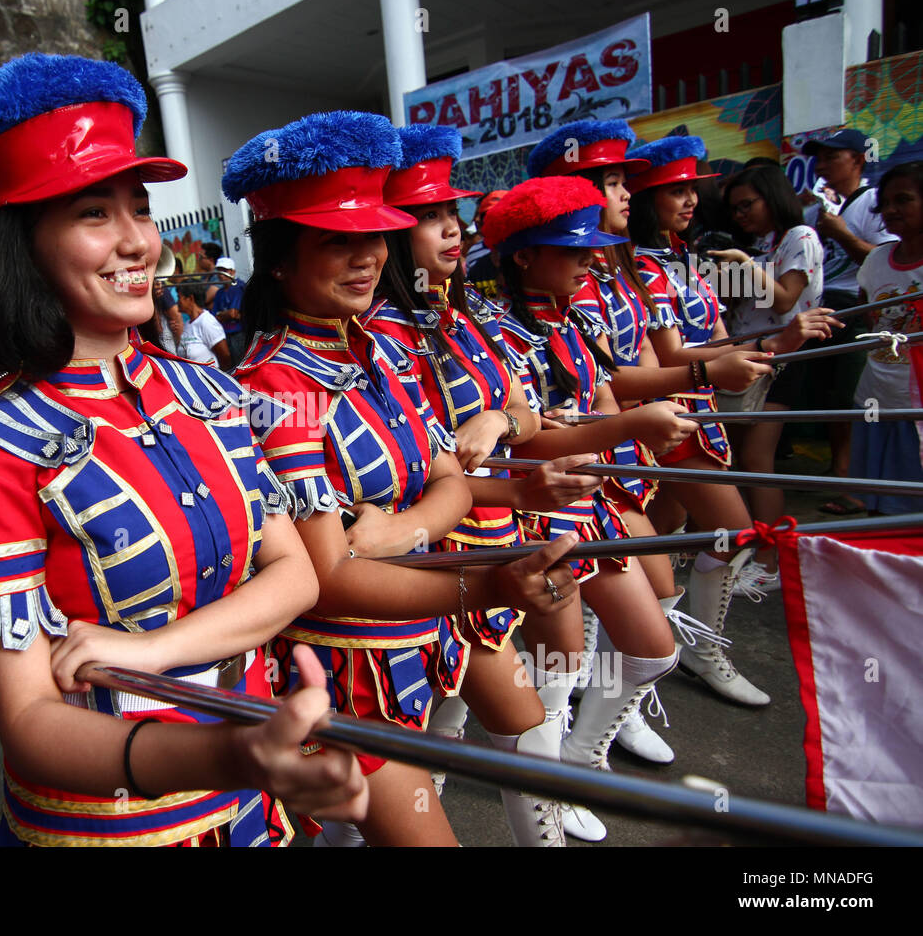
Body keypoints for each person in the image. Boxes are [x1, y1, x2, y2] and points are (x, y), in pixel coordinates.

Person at [0, 53, 368, 846]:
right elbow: (28, 721)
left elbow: (293, 571)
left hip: (253, 788)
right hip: (115, 824)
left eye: (141, 206)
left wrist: (155, 649)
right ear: (9, 248)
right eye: (94, 213)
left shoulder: (206, 390)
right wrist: (232, 754)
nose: (138, 243)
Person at [224, 109, 580, 846]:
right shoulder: (274, 387)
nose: (366, 259)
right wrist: (482, 580)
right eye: (336, 241)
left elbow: (449, 478)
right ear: (280, 260)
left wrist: (407, 527)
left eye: (373, 237)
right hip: (349, 666)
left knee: (531, 733)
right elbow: (331, 576)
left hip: (425, 621)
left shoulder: (380, 352)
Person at [370, 124, 607, 845]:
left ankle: (560, 788)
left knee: (505, 713)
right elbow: (407, 470)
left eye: (454, 213)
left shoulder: (466, 313)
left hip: (503, 535)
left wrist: (504, 419)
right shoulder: (376, 335)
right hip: (432, 561)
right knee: (419, 742)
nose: (452, 228)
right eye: (430, 216)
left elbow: (528, 410)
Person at [526, 119, 767, 764]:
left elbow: (609, 377)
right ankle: (566, 745)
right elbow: (608, 383)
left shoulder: (616, 272)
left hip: (624, 454)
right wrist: (700, 375)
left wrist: (764, 348)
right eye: (611, 182)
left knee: (645, 605)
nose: (628, 193)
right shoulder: (537, 298)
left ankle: (595, 729)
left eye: (626, 180)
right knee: (533, 650)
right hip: (566, 476)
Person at [481, 175, 698, 842]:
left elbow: (604, 397)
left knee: (652, 649)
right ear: (523, 256)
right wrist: (628, 429)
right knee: (555, 678)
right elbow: (532, 439)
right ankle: (550, 799)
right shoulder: (496, 331)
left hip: (592, 501)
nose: (590, 260)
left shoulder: (572, 315)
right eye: (573, 250)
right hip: (536, 512)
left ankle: (580, 759)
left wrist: (658, 410)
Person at [625, 136, 836, 706]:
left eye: (692, 188)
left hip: (701, 414)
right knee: (731, 535)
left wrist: (775, 343)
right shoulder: (641, 266)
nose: (689, 199)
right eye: (673, 190)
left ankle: (648, 658)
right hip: (665, 419)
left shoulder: (687, 259)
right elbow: (670, 359)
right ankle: (685, 652)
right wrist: (774, 339)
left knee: (660, 544)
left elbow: (720, 341)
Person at [712, 165, 825, 575]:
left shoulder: (801, 237)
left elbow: (783, 300)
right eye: (735, 209)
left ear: (773, 196)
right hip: (752, 354)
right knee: (744, 458)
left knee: (758, 459)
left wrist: (743, 262)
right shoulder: (761, 242)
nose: (741, 214)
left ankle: (770, 562)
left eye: (748, 204)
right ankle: (756, 555)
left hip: (786, 356)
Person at [803, 128, 899, 514]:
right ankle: (844, 474)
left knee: (853, 398)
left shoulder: (874, 202)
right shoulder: (825, 207)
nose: (822, 165)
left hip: (856, 310)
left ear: (858, 160)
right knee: (835, 398)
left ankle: (854, 484)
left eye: (832, 156)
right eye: (820, 158)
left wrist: (841, 234)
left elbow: (886, 258)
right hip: (829, 308)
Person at [848, 160, 923, 513]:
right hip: (876, 395)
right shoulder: (876, 260)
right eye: (886, 202)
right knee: (878, 504)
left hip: (917, 407)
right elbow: (869, 315)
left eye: (903, 200)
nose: (890, 210)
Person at [176, 285, 230, 368]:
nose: (177, 302)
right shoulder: (187, 324)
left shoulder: (207, 322)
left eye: (179, 297)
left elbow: (225, 356)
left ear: (190, 298)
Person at [209, 257, 247, 364]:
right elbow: (215, 317)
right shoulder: (219, 292)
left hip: (239, 333)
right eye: (219, 271)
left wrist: (222, 315)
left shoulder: (238, 286)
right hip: (225, 334)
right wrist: (225, 314)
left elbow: (233, 313)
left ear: (232, 272)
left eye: (224, 271)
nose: (221, 274)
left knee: (241, 362)